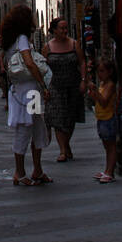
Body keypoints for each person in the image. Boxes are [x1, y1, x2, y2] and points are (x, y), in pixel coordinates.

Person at [0, 5, 52, 185]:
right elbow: (29, 63)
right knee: (25, 128)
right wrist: (43, 83)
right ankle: (19, 172)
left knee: (37, 127)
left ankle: (37, 170)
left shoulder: (10, 40)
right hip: (29, 92)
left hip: (25, 91)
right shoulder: (22, 39)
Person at [42, 17, 87, 161]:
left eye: (66, 28)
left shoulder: (74, 44)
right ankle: (62, 150)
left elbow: (82, 62)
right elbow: (43, 68)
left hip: (73, 84)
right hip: (55, 86)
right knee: (58, 118)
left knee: (70, 117)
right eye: (62, 28)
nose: (65, 31)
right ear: (54, 30)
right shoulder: (47, 47)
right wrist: (44, 88)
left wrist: (83, 80)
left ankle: (66, 145)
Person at [87, 57, 118, 183]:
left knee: (111, 146)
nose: (100, 74)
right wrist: (93, 94)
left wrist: (95, 91)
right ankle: (107, 170)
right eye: (98, 71)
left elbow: (104, 102)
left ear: (109, 72)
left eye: (102, 71)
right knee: (107, 146)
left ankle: (110, 171)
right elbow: (98, 101)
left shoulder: (110, 85)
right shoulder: (103, 84)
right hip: (101, 117)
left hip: (108, 118)